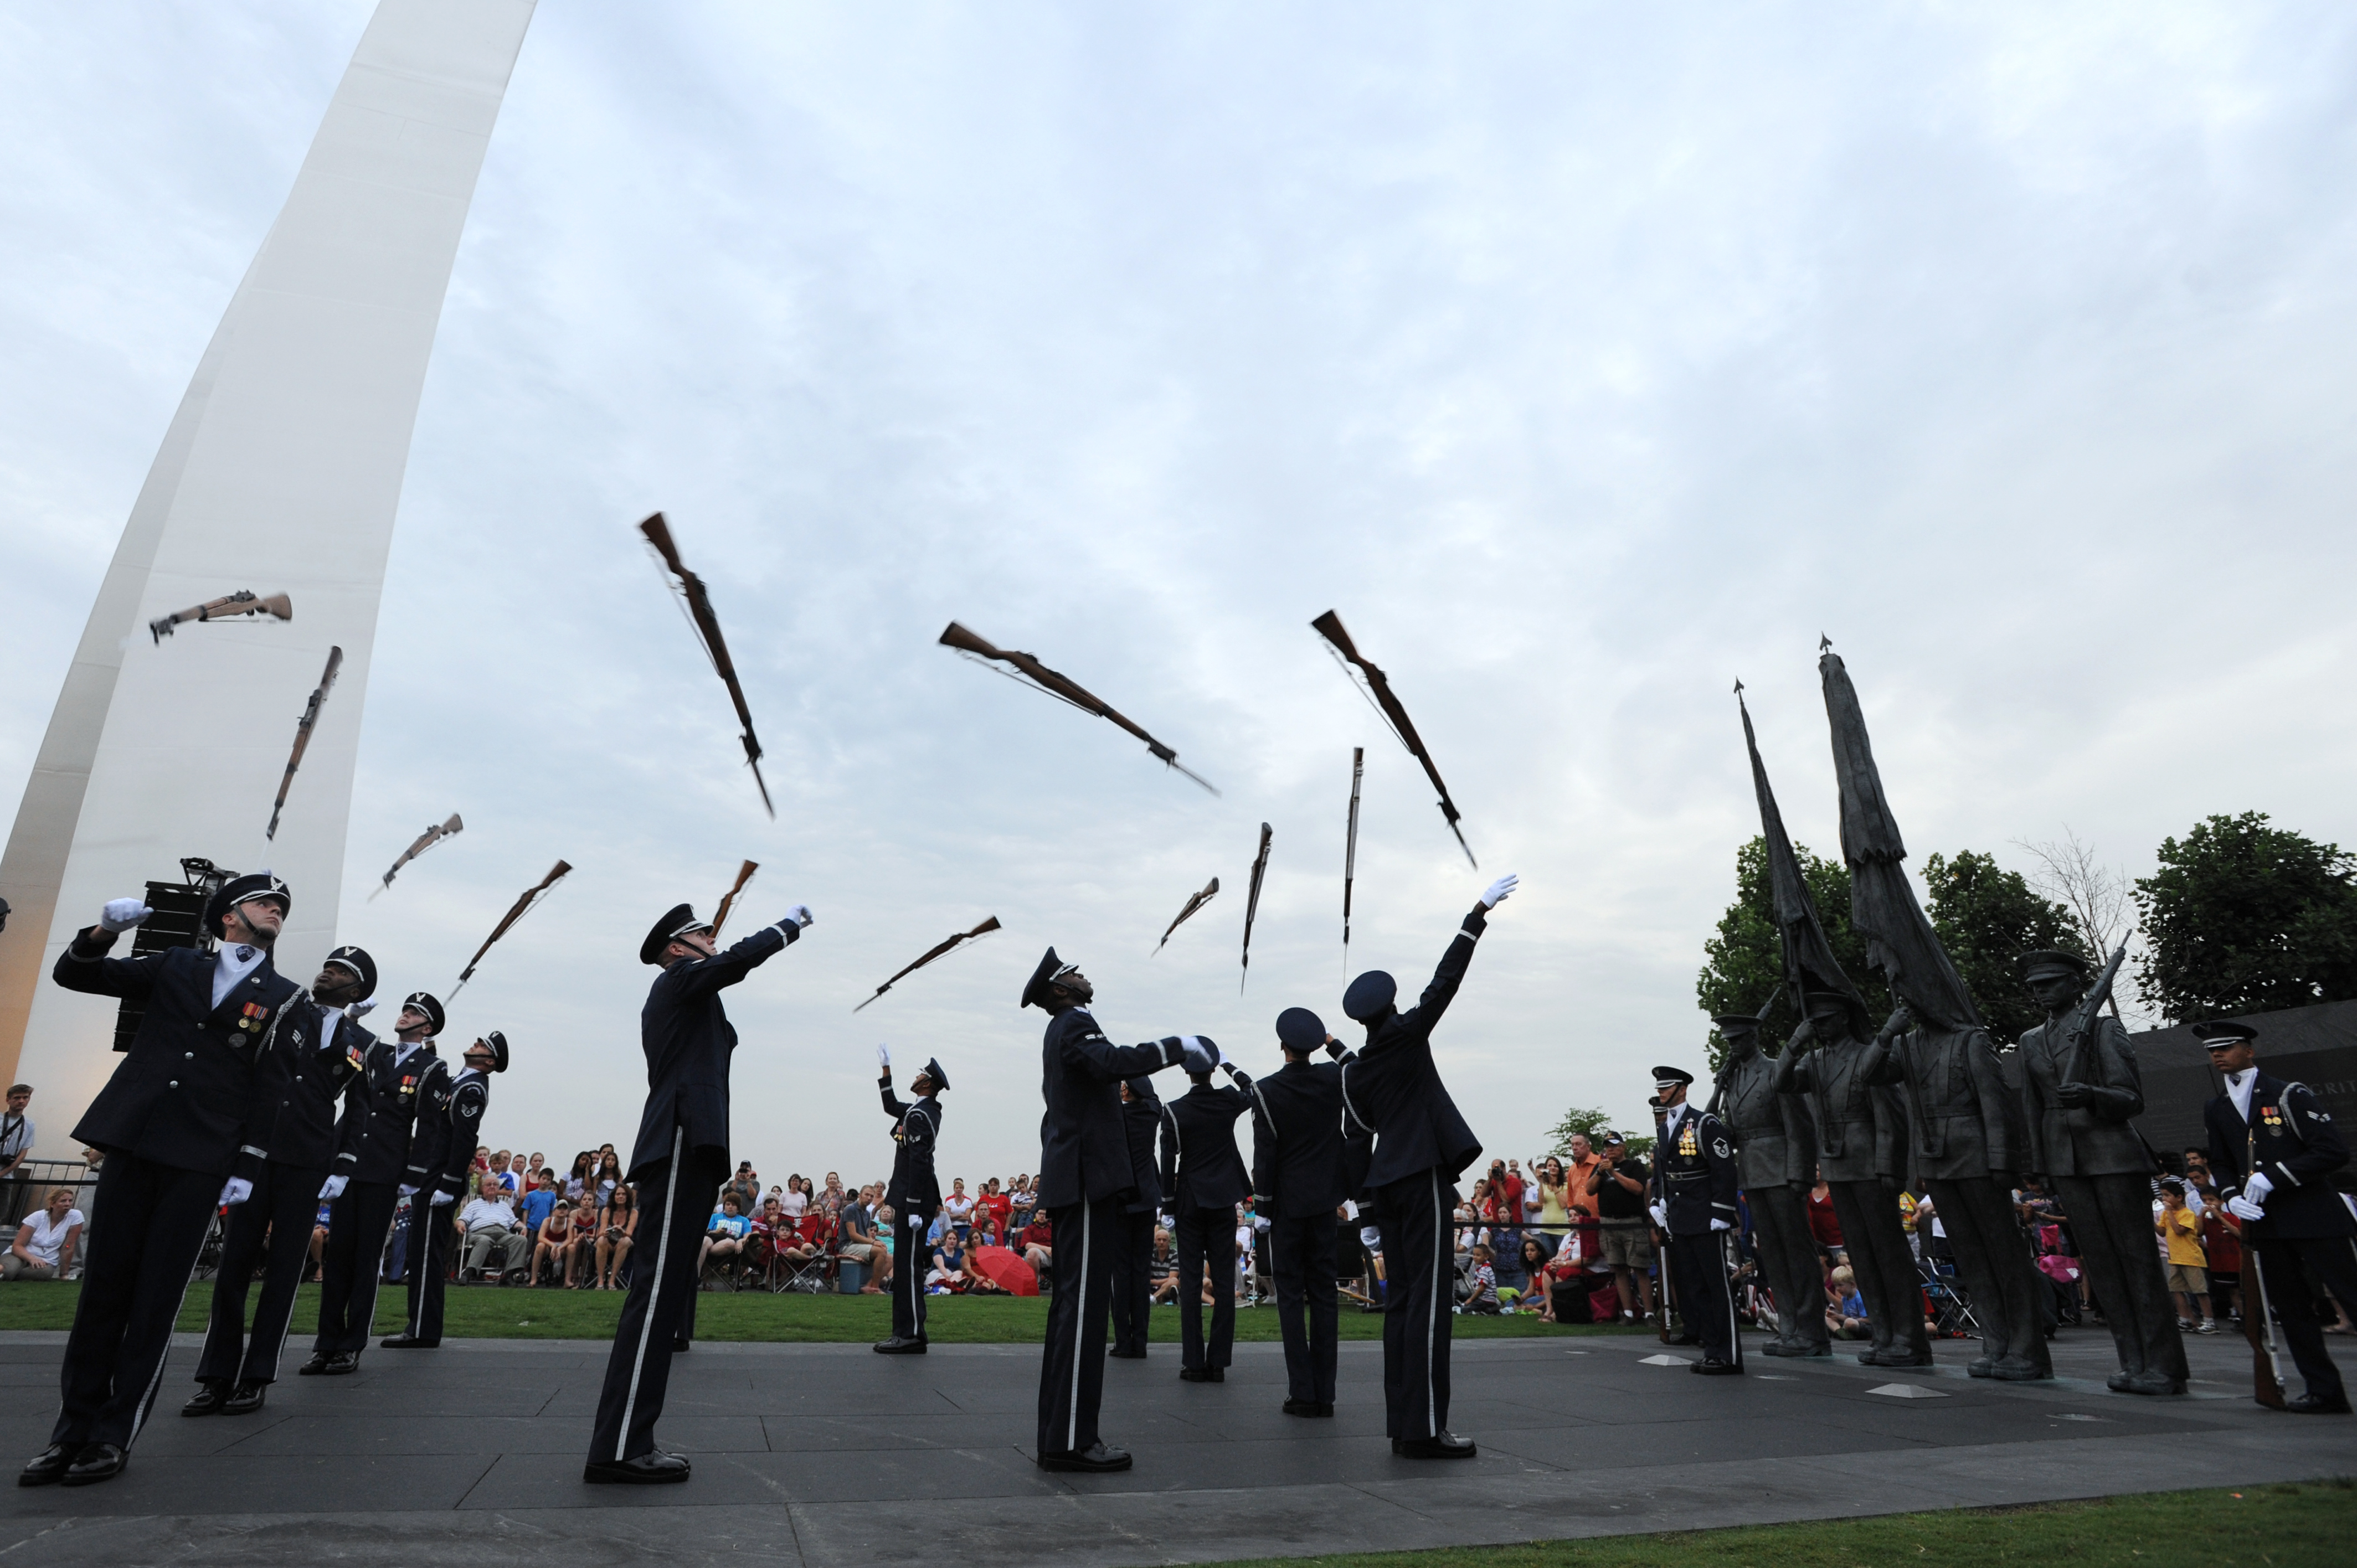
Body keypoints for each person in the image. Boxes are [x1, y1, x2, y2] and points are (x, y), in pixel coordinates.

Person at [24, 872, 303, 1489]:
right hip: (135, 1138)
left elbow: (271, 1090)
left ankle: (113, 1435)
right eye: (264, 901)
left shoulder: (284, 997)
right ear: (229, 915)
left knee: (154, 1302)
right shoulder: (177, 963)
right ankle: (69, 1434)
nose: (276, 910)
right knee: (102, 1293)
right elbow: (77, 976)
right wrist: (103, 933)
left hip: (202, 1158)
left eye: (282, 906)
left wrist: (248, 1166)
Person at [586, 896, 812, 1484]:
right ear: (675, 948)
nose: (713, 936)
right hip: (681, 1136)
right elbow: (734, 961)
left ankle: (629, 1440)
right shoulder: (680, 979)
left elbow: (722, 970)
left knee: (663, 1292)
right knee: (656, 1292)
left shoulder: (690, 987)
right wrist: (784, 928)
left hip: (689, 1143)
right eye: (701, 932)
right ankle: (618, 1448)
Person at [1340, 874, 1519, 1460]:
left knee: (1400, 1305)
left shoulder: (1358, 1071)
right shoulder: (1408, 1035)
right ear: (1390, 1007)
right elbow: (1445, 982)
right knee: (1431, 1305)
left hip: (1385, 1186)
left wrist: (1364, 1208)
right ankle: (1424, 1430)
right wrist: (1475, 915)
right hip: (1422, 1181)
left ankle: (1403, 1424)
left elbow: (1358, 1141)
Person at [1020, 946, 1210, 1473]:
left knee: (1077, 1310)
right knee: (1081, 1311)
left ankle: (1067, 1435)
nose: (1084, 975)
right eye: (1073, 973)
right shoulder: (1075, 1026)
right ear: (1061, 990)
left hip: (1082, 1179)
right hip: (1084, 1182)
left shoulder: (1068, 1028)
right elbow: (1113, 1062)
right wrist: (1177, 1046)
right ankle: (1070, 1442)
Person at [188, 945, 379, 1416]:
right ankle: (216, 1375)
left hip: (308, 1161)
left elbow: (359, 1112)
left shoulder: (364, 1042)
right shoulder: (288, 1008)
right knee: (234, 1268)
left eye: (337, 972)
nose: (325, 973)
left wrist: (343, 1165)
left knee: (283, 1274)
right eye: (326, 966)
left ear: (355, 988)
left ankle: (256, 1376)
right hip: (259, 1151)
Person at [2016, 950, 2188, 1395]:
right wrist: (2039, 1164)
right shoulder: (2031, 1040)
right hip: (2064, 1159)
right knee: (2103, 1265)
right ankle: (2132, 1359)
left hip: (2112, 1154)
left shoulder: (2103, 1027)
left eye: (2050, 983)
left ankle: (2164, 1365)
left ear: (2077, 985)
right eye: (2036, 986)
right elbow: (2032, 1107)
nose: (2041, 992)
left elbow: (2130, 1098)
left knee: (2137, 1261)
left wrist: (2091, 1093)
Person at [1864, 999, 2052, 1383]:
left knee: (2003, 1256)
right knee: (1972, 1259)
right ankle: (1996, 1344)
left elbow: (1995, 1103)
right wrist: (1886, 1034)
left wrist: (2003, 1160)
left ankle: (2027, 1349)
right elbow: (1869, 1074)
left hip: (1976, 1154)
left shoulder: (1971, 1041)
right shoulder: (1906, 1043)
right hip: (1936, 1161)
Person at [2200, 1019, 2356, 1415]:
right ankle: (2324, 1391)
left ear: (2249, 1051)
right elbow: (2221, 1160)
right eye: (2213, 1050)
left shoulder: (2287, 1094)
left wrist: (2273, 1178)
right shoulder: (2216, 1106)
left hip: (2314, 1215)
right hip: (2265, 1223)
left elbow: (2332, 1151)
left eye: (2227, 1047)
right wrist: (2232, 1197)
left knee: (2353, 1295)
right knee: (2292, 1310)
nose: (2218, 1055)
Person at [306, 990, 450, 1376]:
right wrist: (350, 1018)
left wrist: (414, 1176)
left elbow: (430, 1127)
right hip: (350, 1164)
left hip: (386, 1171)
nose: (403, 1016)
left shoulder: (432, 1068)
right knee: (338, 1257)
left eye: (413, 1013)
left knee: (366, 1260)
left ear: (427, 1027)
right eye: (404, 1010)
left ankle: (351, 1345)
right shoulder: (376, 1053)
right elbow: (339, 1046)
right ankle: (325, 1343)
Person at [1786, 987, 1930, 1370]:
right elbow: (1781, 1082)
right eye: (1814, 1022)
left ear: (1844, 1018)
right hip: (1837, 1167)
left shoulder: (1871, 1056)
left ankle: (1910, 1338)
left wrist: (1890, 1168)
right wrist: (1795, 1043)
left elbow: (1891, 1117)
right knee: (1863, 1259)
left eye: (1826, 1020)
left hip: (1869, 1164)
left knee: (1890, 1256)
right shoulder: (1815, 1061)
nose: (1820, 1028)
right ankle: (1884, 1334)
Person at [1247, 1007, 1354, 1416]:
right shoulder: (1333, 1076)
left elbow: (1266, 1155)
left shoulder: (1265, 1090)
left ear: (1282, 1045)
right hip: (1326, 1200)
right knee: (1325, 1294)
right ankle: (1324, 1393)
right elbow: (1358, 1067)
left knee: (1291, 1296)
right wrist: (1333, 1043)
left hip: (1287, 1206)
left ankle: (1302, 1390)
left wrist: (1264, 1209)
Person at [1708, 1008, 1827, 1358]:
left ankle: (1812, 1331)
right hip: (1753, 1174)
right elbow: (1734, 1130)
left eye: (1737, 1040)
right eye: (1727, 1041)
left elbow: (1801, 1128)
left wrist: (1800, 1176)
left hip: (1781, 1171)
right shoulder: (1732, 1079)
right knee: (1771, 1255)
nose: (1732, 1047)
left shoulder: (1778, 1070)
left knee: (1799, 1253)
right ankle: (1789, 1326)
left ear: (1753, 1038)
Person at [386, 1031, 504, 1345]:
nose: (475, 1044)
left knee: (426, 1255)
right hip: (431, 1177)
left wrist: (449, 1184)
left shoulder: (473, 1088)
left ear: (489, 1061)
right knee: (419, 1252)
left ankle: (423, 1330)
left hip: (440, 1181)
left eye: (482, 1046)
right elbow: (439, 1096)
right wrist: (430, 1048)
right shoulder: (461, 1081)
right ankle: (419, 1326)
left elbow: (465, 1139)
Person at [1159, 1044, 1252, 1383]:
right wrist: (1230, 1064)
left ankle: (1193, 1362)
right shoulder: (1227, 1100)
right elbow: (1252, 1091)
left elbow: (1168, 1162)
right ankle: (1218, 1362)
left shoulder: (1174, 1110)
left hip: (1190, 1201)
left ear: (1186, 1072)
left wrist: (1168, 1206)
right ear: (1212, 1070)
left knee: (1191, 1280)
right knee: (1224, 1283)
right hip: (1224, 1197)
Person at [1648, 1065, 1742, 1374]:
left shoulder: (1705, 1123)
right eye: (1660, 1088)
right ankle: (1711, 1348)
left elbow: (1724, 1170)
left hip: (1705, 1215)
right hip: (1681, 1216)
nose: (1662, 1093)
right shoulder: (1666, 1128)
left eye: (1667, 1088)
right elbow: (1663, 1171)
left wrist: (1721, 1212)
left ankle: (1728, 1355)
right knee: (1694, 1287)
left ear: (1682, 1089)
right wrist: (1658, 1201)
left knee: (1717, 1287)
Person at [874, 1049, 948, 1352]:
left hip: (911, 1202)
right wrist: (886, 1069)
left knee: (909, 1270)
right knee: (904, 1269)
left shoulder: (920, 1115)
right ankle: (905, 1332)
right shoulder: (917, 1111)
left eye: (921, 1074)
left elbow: (919, 1163)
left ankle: (913, 1334)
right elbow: (890, 1105)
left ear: (927, 1084)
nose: (916, 1076)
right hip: (909, 1200)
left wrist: (915, 1207)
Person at [1108, 1076, 1165, 1360]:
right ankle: (1140, 1340)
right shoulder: (1152, 1112)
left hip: (1120, 1200)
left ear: (1126, 1090)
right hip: (1146, 1199)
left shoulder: (1114, 1115)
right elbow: (1153, 1098)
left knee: (1121, 1273)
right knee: (1141, 1273)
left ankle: (1123, 1340)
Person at [1588, 1132, 1654, 1322]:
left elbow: (1638, 1189)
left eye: (1614, 1146)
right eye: (1607, 1147)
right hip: (1609, 1223)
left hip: (1631, 1222)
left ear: (1623, 1147)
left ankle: (1649, 1313)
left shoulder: (1634, 1166)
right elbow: (1590, 1190)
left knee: (1640, 1268)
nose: (1611, 1150)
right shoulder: (1600, 1168)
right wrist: (1601, 1172)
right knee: (1618, 1269)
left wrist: (1614, 1173)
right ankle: (1627, 1313)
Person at [2154, 1179, 2214, 1334]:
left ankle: (2209, 1321)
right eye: (2163, 1195)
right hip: (2175, 1258)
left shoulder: (2187, 1214)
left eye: (2167, 1195)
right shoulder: (2168, 1214)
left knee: (2199, 1290)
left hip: (2190, 1258)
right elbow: (2162, 1231)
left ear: (2179, 1197)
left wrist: (2168, 1213)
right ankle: (2185, 1319)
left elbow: (2179, 1230)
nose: (2164, 1199)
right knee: (2176, 1289)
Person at [6, 1188, 83, 1281]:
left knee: (45, 1273)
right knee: (10, 1269)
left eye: (70, 1201)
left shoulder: (76, 1217)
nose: (68, 1204)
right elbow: (17, 1246)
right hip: (21, 1255)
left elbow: (68, 1246)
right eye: (63, 1201)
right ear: (52, 1204)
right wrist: (31, 1259)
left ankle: (10, 1276)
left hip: (46, 1260)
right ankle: (7, 1272)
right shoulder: (37, 1217)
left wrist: (64, 1274)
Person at [0, 1084, 37, 1229]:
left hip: (7, 1175)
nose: (21, 1101)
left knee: (2, 1211)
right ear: (8, 1100)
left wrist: (3, 1173)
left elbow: (22, 1155)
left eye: (25, 1098)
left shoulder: (29, 1124)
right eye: (17, 1098)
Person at [596, 1183, 637, 1291]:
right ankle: (600, 1280)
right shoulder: (606, 1211)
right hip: (608, 1243)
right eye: (618, 1194)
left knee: (625, 1241)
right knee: (601, 1240)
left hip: (625, 1244)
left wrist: (622, 1231)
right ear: (614, 1197)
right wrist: (605, 1233)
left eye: (624, 1194)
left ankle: (612, 1280)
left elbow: (630, 1233)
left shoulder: (633, 1212)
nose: (621, 1197)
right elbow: (601, 1232)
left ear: (628, 1196)